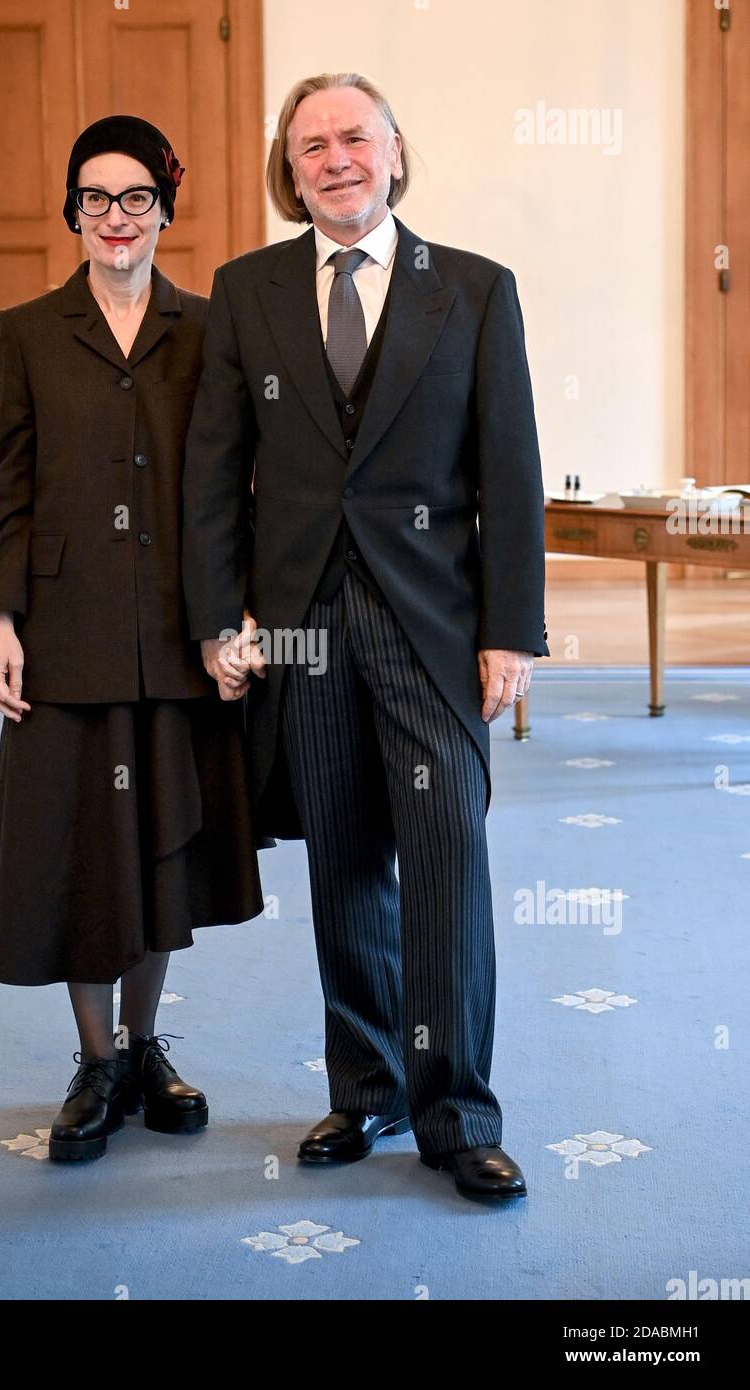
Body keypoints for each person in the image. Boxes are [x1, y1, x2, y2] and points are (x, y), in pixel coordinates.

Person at [182, 74, 549, 1201]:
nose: (334, 158)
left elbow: (509, 473)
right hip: (298, 633)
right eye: (310, 146)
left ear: (393, 151)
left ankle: (456, 1112)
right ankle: (369, 1088)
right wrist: (215, 618)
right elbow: (210, 470)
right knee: (343, 865)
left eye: (353, 137)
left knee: (443, 863)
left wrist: (510, 633)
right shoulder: (246, 292)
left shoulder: (476, 291)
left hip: (431, 629)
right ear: (287, 171)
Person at [0, 115, 265, 1163]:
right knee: (80, 857)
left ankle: (146, 1047)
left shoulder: (208, 323)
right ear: (72, 211)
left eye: (135, 195)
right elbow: (10, 485)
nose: (114, 216)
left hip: (176, 632)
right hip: (66, 633)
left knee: (157, 850)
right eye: (94, 197)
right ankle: (96, 1059)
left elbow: (234, 486)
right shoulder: (29, 328)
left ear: (164, 207)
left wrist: (232, 618)